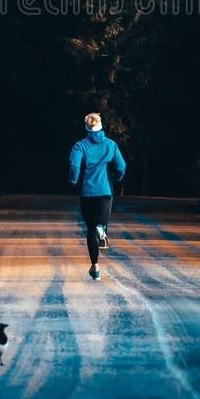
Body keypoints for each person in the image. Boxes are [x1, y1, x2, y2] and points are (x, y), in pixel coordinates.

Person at [68, 112, 126, 281]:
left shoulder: (80, 146)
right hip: (106, 191)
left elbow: (74, 165)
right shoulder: (111, 145)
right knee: (100, 224)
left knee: (90, 229)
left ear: (87, 127)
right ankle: (103, 229)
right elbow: (121, 166)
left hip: (87, 192)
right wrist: (116, 179)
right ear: (101, 126)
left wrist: (73, 180)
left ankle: (96, 268)